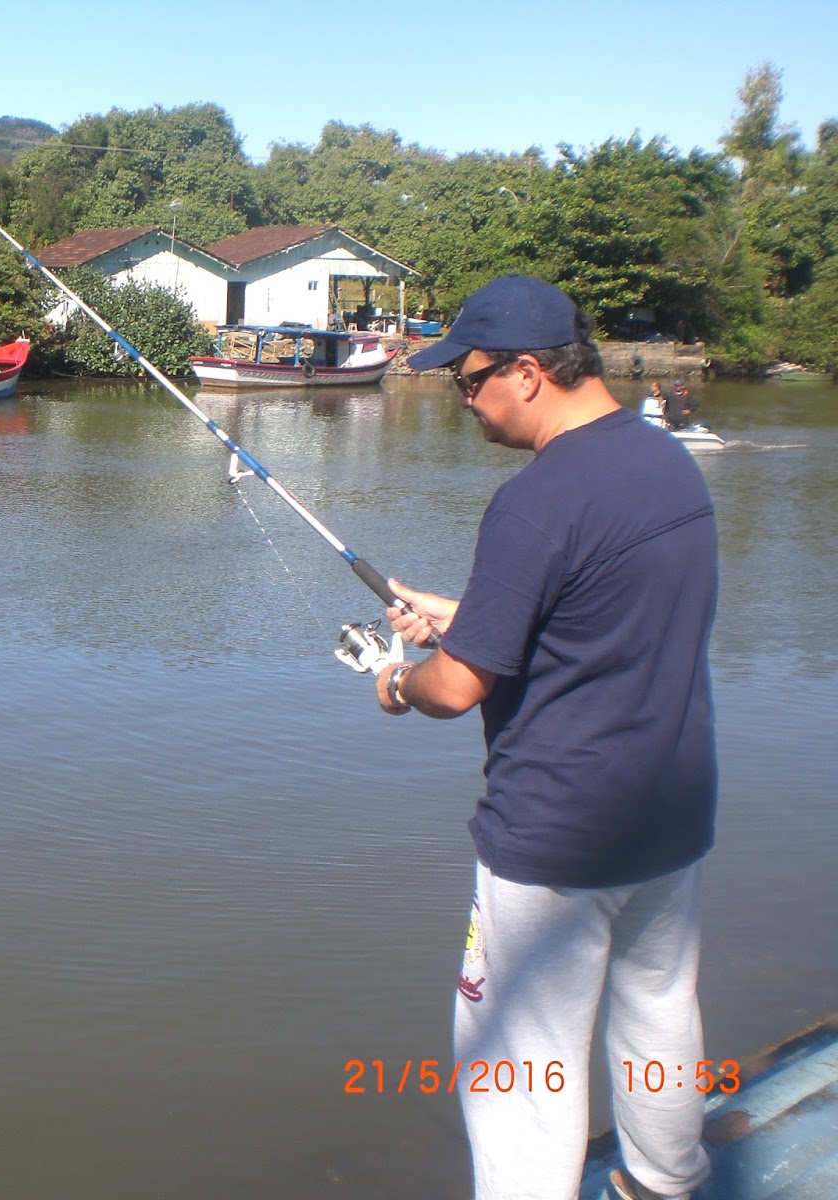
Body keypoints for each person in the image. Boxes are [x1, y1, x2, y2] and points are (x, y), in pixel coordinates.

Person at [378, 275, 718, 1200]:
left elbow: (456, 688)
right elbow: (604, 614)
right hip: (673, 815)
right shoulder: (665, 463)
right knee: (658, 1011)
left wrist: (399, 683)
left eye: (469, 380)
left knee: (519, 1063)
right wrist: (473, 613)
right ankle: (663, 1181)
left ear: (526, 372)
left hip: (556, 834)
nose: (464, 401)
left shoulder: (535, 503)